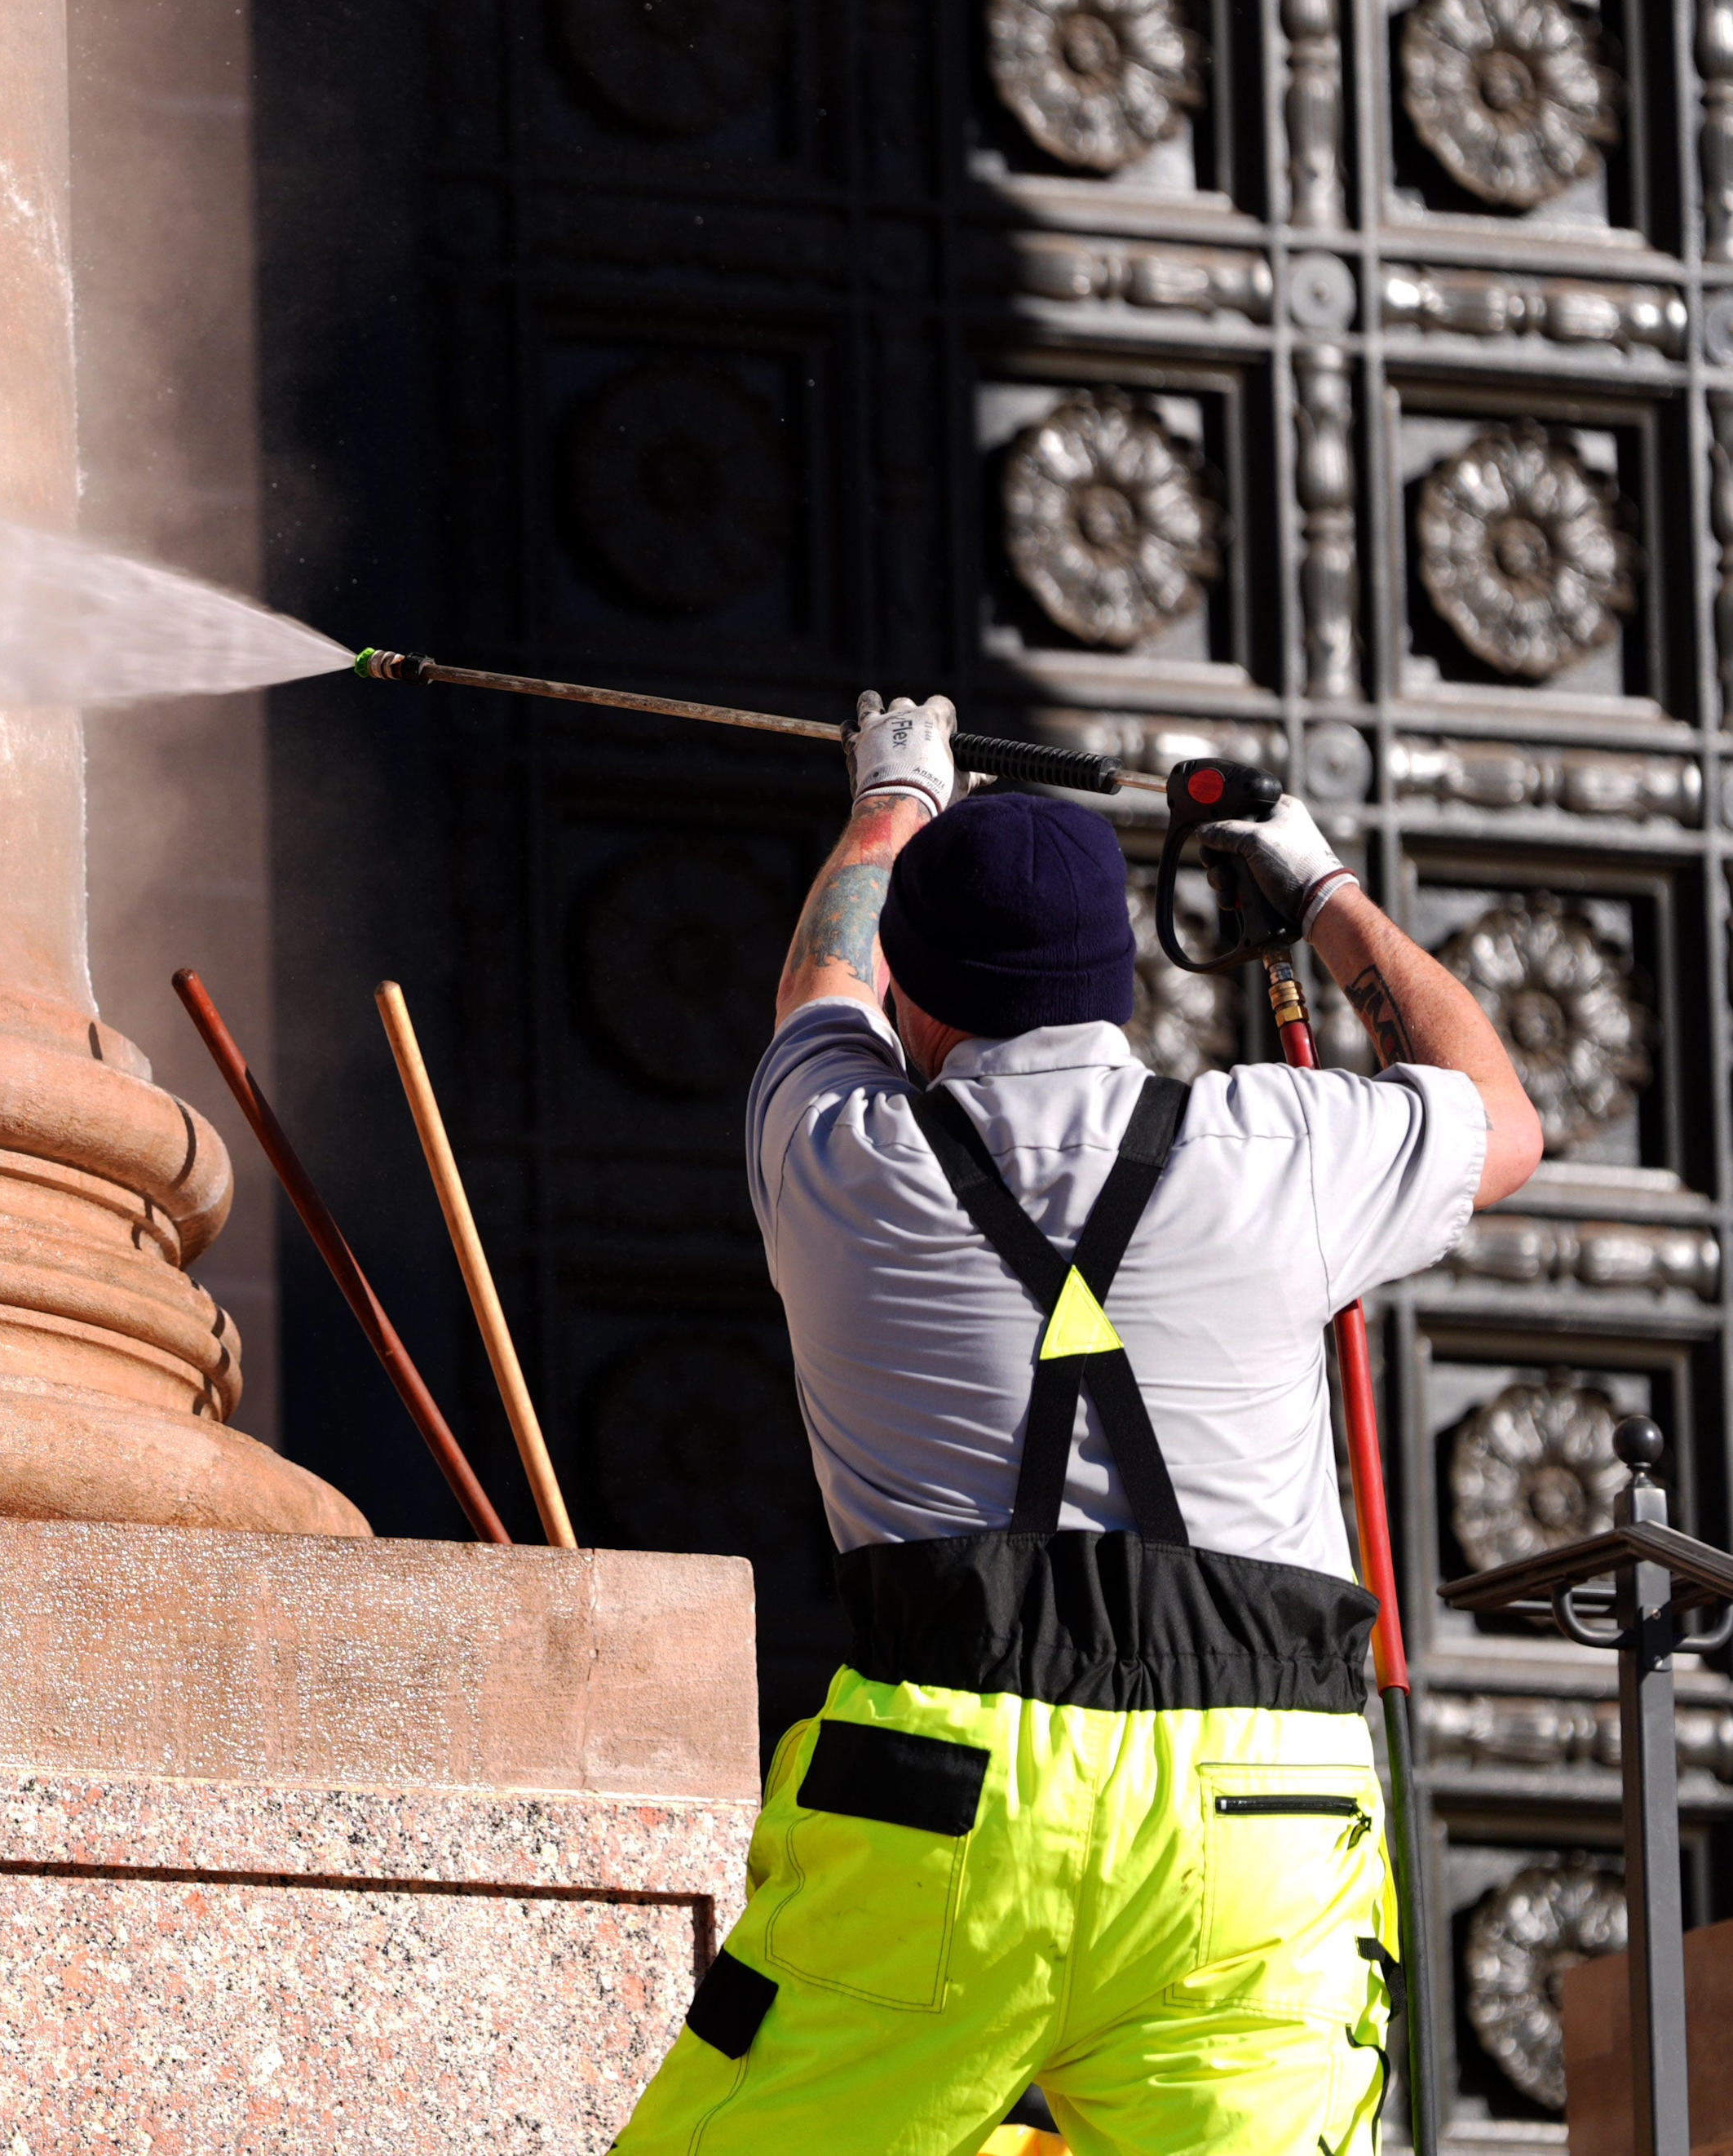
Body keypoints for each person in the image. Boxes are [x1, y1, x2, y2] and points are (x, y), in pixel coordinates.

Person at [612, 695, 1542, 2156]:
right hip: (1262, 1819)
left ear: (917, 992)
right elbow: (1500, 1111)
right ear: (1117, 988)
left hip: (940, 1810)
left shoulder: (838, 1156)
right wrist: (1320, 888)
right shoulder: (1277, 1149)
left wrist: (890, 798)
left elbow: (821, 990)